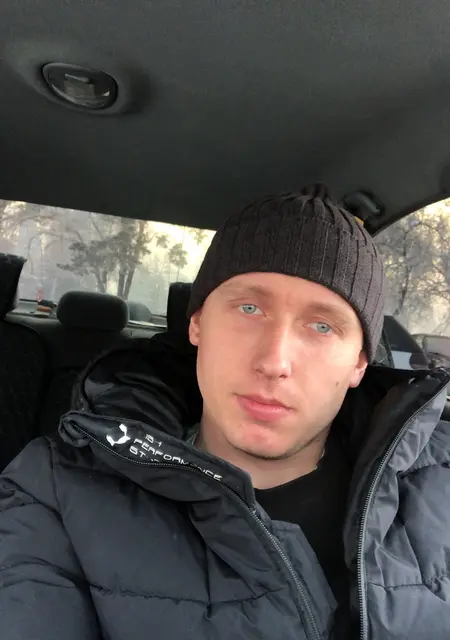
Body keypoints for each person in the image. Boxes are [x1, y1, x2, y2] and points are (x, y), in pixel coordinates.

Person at [0, 185, 449, 640]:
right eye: (249, 308)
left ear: (359, 363)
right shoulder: (55, 489)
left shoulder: (439, 483)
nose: (274, 362)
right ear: (197, 324)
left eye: (321, 325)